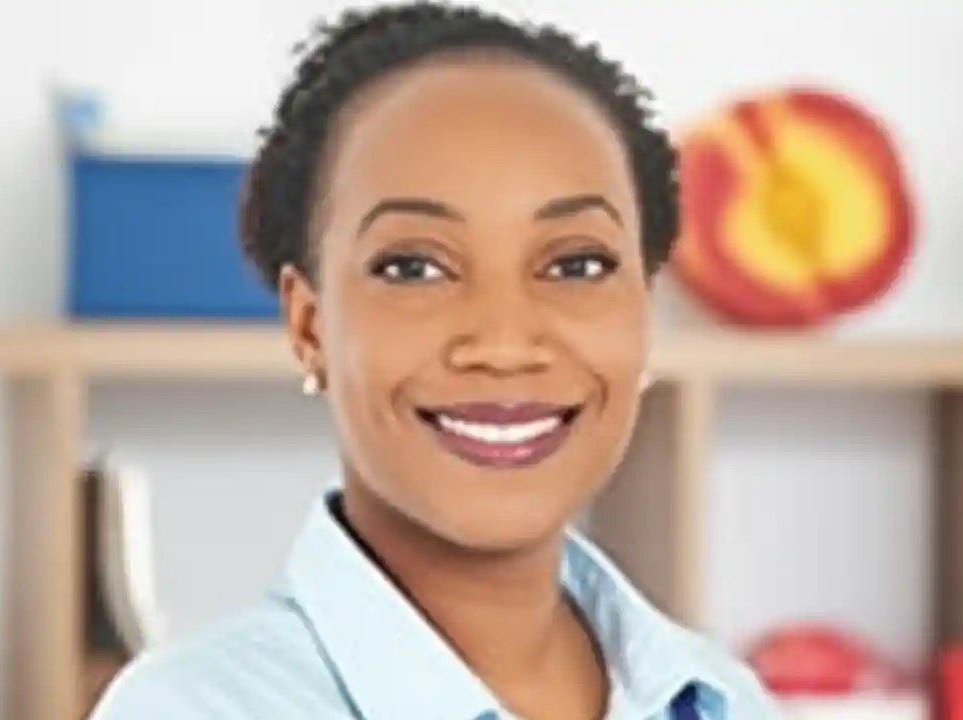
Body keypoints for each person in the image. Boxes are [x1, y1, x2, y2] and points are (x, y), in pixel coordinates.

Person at [91, 3, 777, 718]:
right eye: (413, 268)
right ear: (309, 324)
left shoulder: (722, 697)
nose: (505, 344)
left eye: (576, 263)